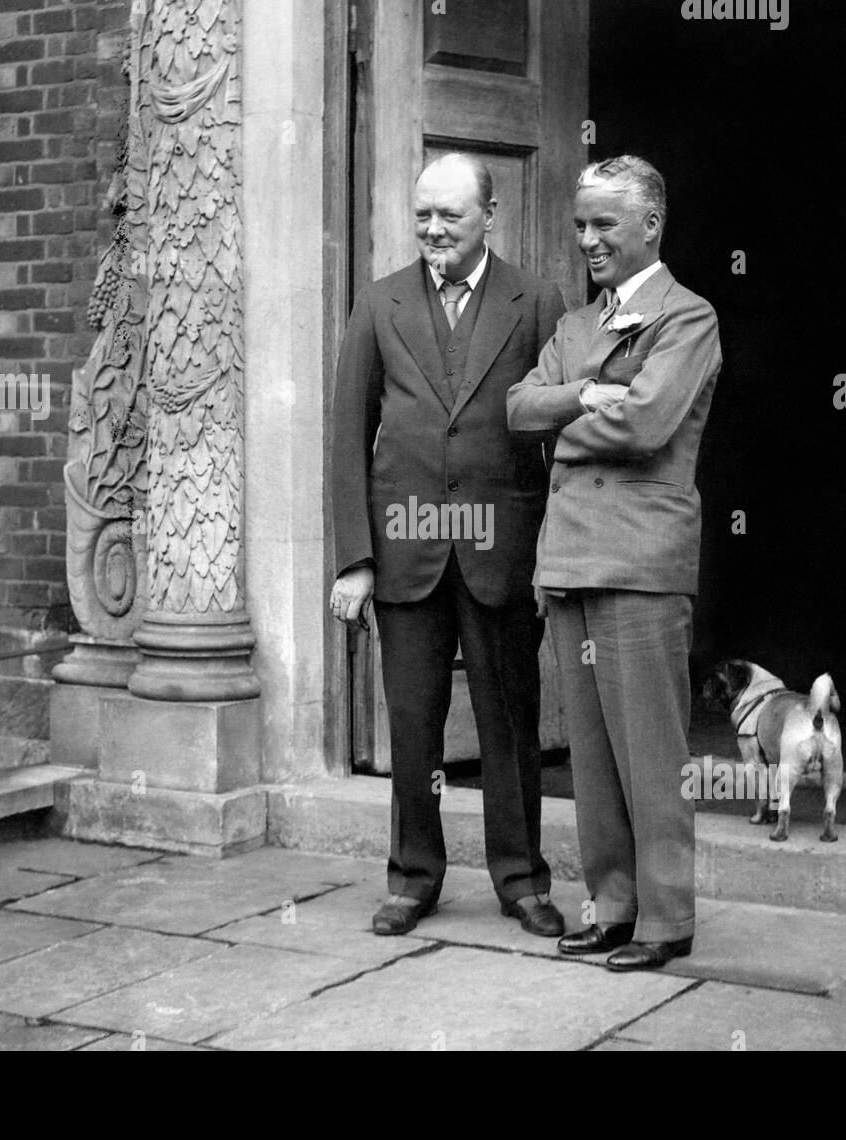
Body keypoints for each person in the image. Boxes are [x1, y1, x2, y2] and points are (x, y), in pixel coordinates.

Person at [330, 152, 567, 937]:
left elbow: (555, 445)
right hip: (407, 548)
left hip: (503, 549)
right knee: (413, 720)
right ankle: (412, 878)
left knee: (509, 721)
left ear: (489, 217)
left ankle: (522, 879)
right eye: (423, 214)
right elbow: (347, 437)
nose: (433, 229)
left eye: (451, 216)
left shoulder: (536, 302)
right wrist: (355, 560)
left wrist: (550, 558)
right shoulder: (379, 302)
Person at [506, 155, 722, 970]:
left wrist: (578, 404)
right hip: (569, 559)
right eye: (580, 225)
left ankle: (668, 919)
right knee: (592, 757)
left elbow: (645, 424)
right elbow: (517, 406)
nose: (587, 239)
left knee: (651, 754)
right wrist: (594, 393)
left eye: (604, 224)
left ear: (650, 226)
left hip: (640, 560)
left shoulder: (687, 317)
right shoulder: (575, 325)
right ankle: (614, 907)